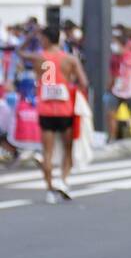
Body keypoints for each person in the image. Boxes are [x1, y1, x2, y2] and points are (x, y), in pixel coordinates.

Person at [19, 26, 89, 202]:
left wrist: (30, 37)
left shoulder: (38, 57)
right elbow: (84, 82)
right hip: (65, 109)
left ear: (46, 39)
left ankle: (50, 189)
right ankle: (63, 180)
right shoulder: (70, 59)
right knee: (67, 148)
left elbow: (20, 52)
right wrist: (69, 83)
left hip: (46, 109)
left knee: (47, 152)